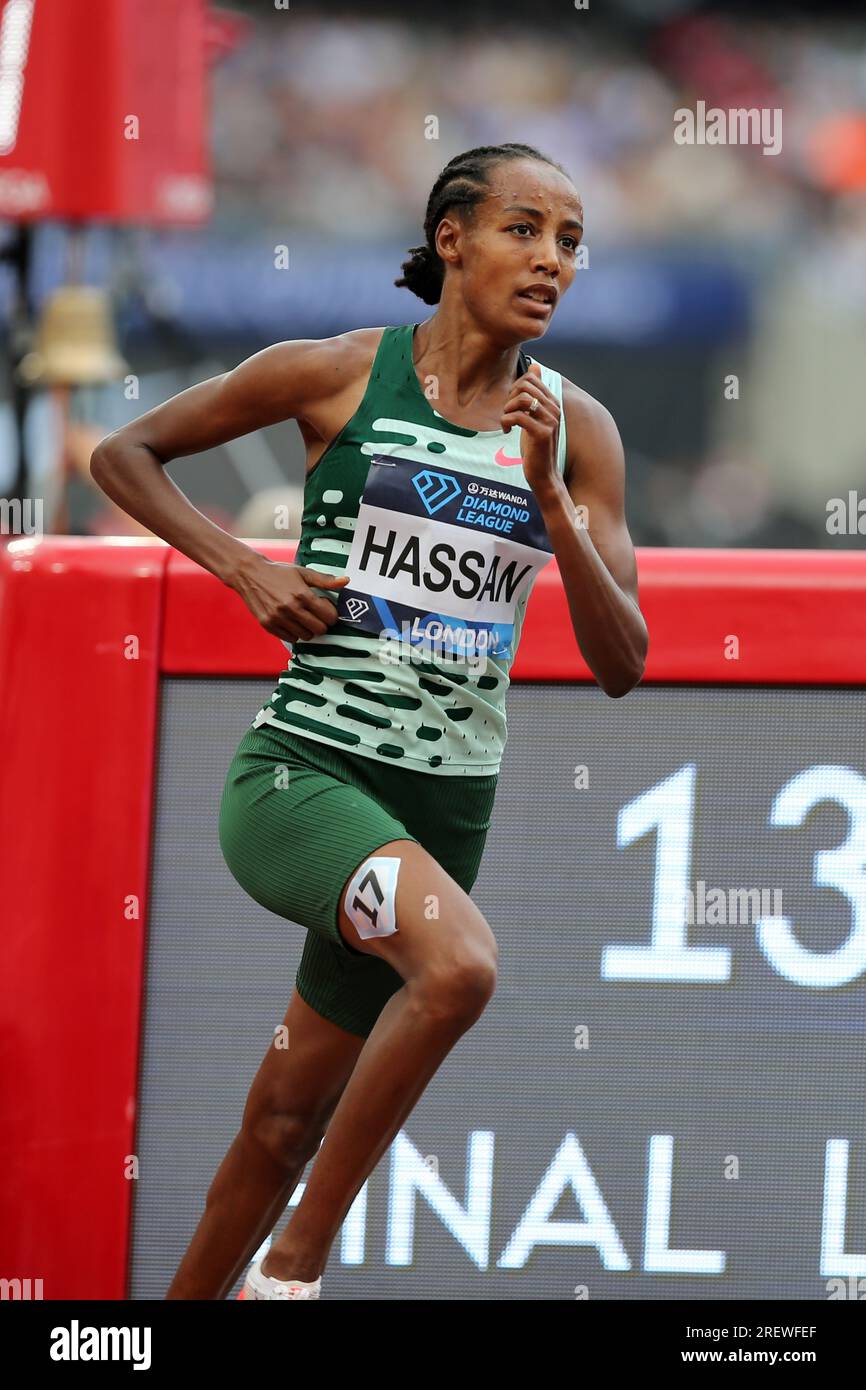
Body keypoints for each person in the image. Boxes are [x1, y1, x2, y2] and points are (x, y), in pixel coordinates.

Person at [90, 142, 648, 1300]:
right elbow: (122, 452)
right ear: (451, 237)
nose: (550, 260)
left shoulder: (577, 433)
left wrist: (549, 503)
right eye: (522, 228)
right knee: (458, 968)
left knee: (284, 1117)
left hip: (443, 809)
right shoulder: (333, 372)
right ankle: (294, 1268)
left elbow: (620, 661)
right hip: (303, 778)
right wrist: (243, 570)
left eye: (569, 241)